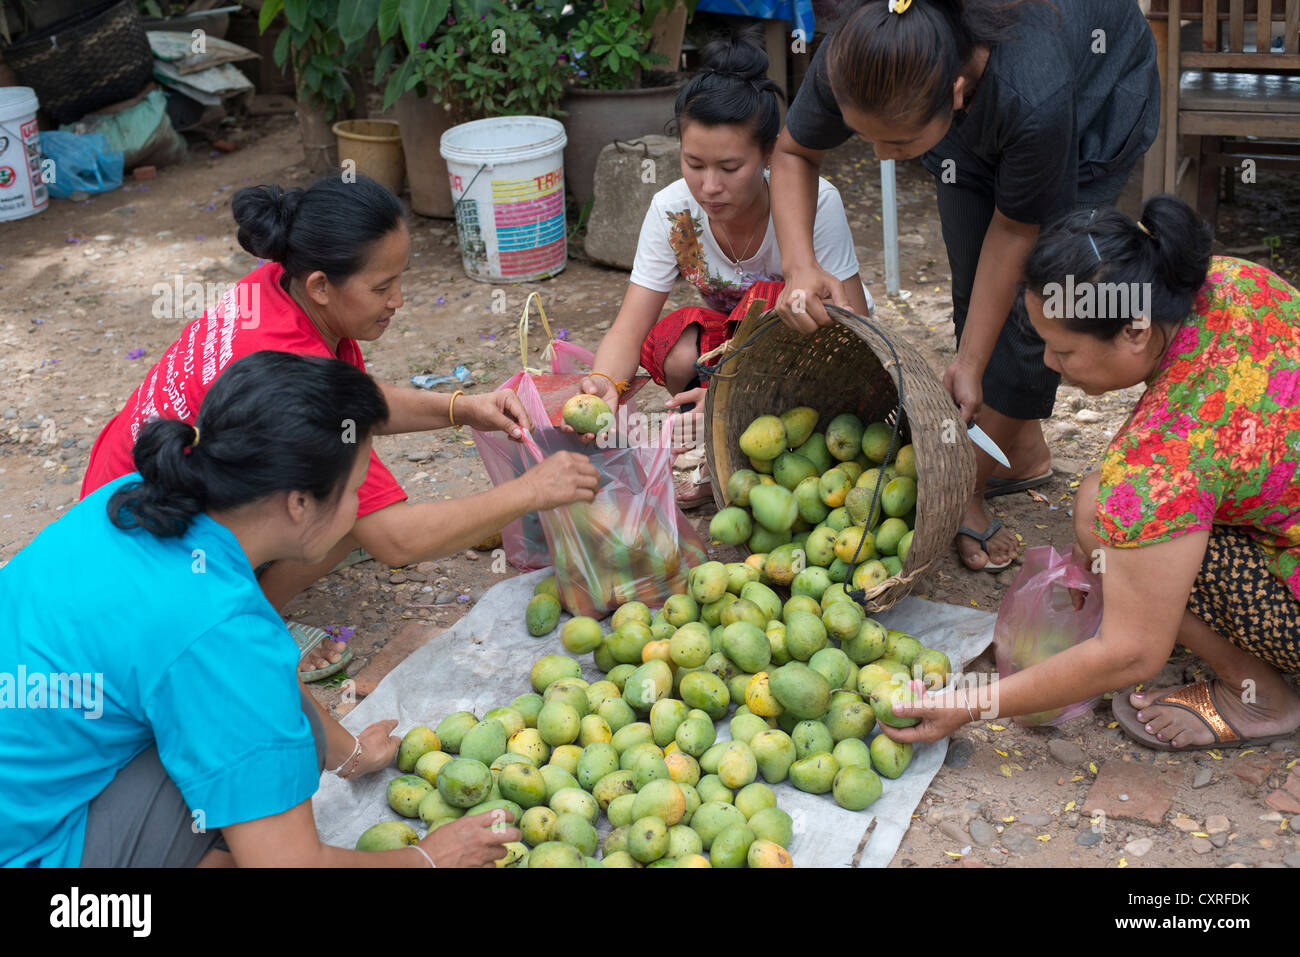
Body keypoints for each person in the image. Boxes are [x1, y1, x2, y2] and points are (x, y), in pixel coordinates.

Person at [0, 351, 522, 867]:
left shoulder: (136, 500)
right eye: (356, 489)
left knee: (269, 734)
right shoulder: (225, 635)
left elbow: (249, 684)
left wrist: (351, 755)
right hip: (34, 855)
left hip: (27, 791)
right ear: (299, 503)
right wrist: (427, 857)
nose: (360, 506)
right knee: (254, 797)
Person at [81, 174, 599, 676]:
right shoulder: (290, 354)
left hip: (127, 482)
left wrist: (462, 407)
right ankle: (239, 621)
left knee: (349, 509)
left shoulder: (280, 285)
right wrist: (532, 490)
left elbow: (351, 403)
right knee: (347, 517)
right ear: (322, 285)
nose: (398, 299)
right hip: (156, 534)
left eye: (400, 278)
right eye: (381, 286)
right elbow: (395, 541)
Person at [881, 196, 1300, 750]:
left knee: (1107, 525)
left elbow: (1132, 653)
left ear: (1134, 331)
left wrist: (969, 705)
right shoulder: (1228, 280)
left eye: (1064, 350)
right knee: (1099, 509)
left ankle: (1260, 695)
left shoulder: (1160, 464)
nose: (1052, 365)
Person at [768, 0, 1160, 571]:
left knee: (1038, 303)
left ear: (955, 93)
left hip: (1096, 90)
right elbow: (794, 151)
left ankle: (967, 489)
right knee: (971, 278)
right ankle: (1020, 452)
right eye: (866, 138)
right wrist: (800, 266)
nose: (880, 155)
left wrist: (973, 362)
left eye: (898, 145)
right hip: (979, 109)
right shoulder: (863, 55)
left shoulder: (1034, 92)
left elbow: (1016, 230)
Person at [571, 30, 870, 506]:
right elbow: (629, 330)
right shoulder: (673, 213)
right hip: (734, 356)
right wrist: (605, 386)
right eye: (694, 164)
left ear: (770, 153)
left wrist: (734, 398)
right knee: (676, 344)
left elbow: (856, 330)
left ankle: (736, 431)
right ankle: (719, 441)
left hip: (814, 359)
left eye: (730, 168)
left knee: (770, 300)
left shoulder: (817, 202)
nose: (709, 186)